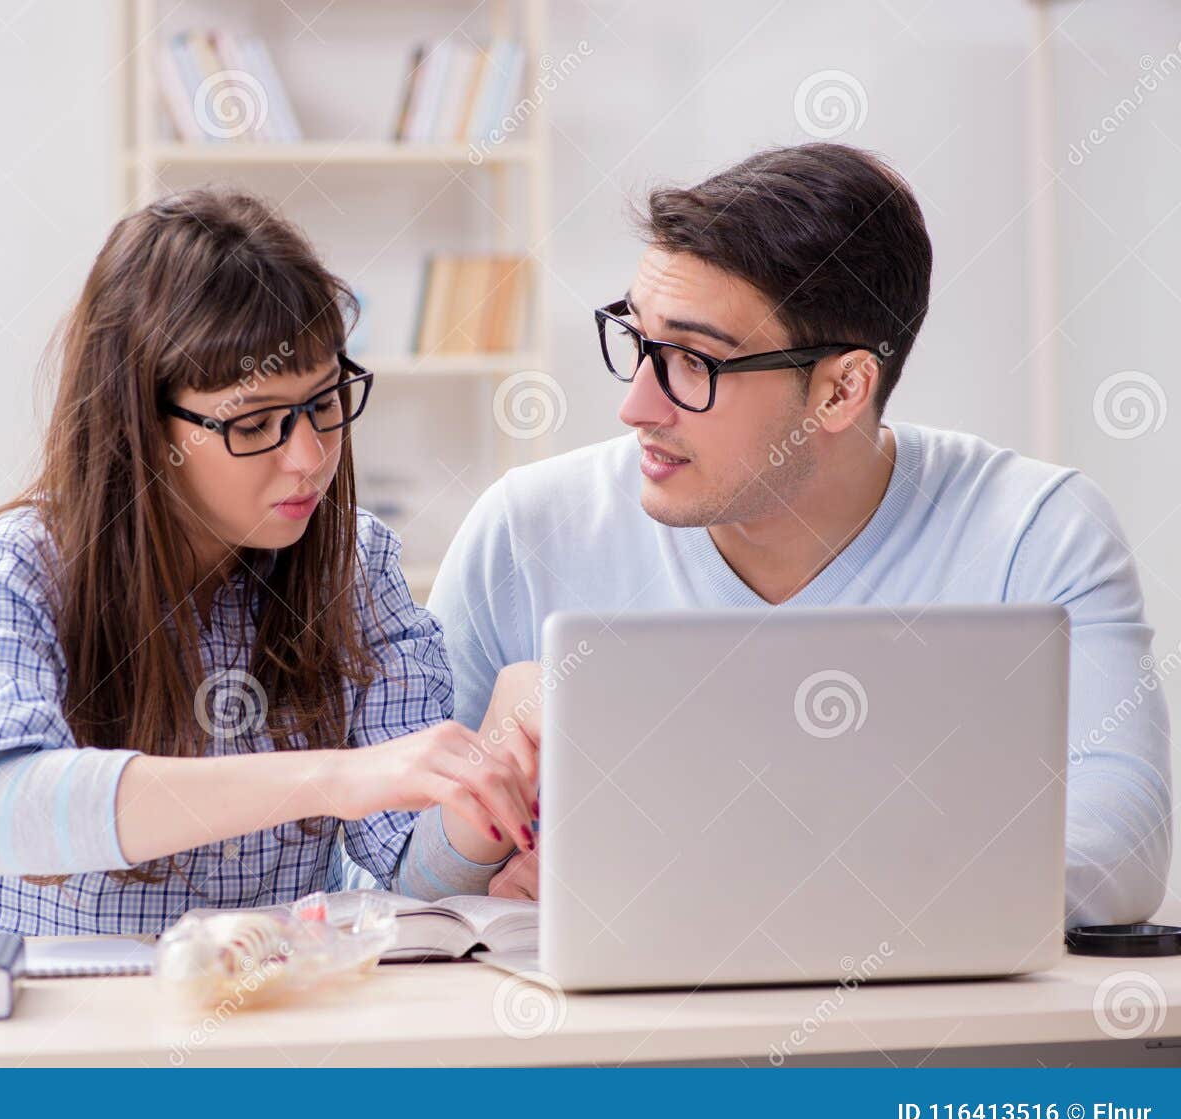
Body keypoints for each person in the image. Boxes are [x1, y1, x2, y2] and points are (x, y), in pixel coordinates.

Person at [430, 143, 1171, 928]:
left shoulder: (1037, 531)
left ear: (841, 389)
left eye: (690, 359)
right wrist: (476, 821)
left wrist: (700, 888)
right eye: (637, 339)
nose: (638, 406)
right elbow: (376, 881)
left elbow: (1120, 851)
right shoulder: (527, 530)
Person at [0, 188, 536, 934]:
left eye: (323, 402)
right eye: (256, 422)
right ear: (141, 423)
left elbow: (412, 868)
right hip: (64, 1024)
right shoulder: (15, 570)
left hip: (266, 1019)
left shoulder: (351, 563)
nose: (309, 458)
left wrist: (491, 780)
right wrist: (331, 778)